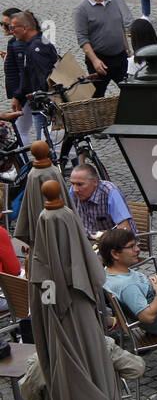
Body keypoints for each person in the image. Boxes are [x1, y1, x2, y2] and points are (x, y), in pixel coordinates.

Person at [99, 227, 157, 336]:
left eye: (136, 245)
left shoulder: (109, 272)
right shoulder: (127, 286)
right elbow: (148, 317)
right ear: (115, 254)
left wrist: (153, 284)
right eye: (131, 246)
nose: (138, 249)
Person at [75, 0, 131, 98]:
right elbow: (82, 39)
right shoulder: (81, 9)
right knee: (97, 96)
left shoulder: (113, 2)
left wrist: (127, 49)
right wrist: (95, 60)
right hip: (100, 60)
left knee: (129, 92)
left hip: (120, 57)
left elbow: (120, 27)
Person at [6, 13, 57, 146]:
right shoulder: (36, 44)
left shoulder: (36, 49)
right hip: (40, 103)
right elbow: (28, 77)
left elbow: (44, 79)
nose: (11, 31)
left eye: (13, 28)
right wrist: (18, 95)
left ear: (25, 28)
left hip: (44, 105)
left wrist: (48, 105)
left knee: (46, 146)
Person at [69, 163, 136, 238]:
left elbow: (125, 229)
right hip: (87, 241)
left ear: (95, 182)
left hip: (113, 242)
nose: (75, 189)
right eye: (72, 184)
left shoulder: (110, 192)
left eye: (80, 184)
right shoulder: (73, 191)